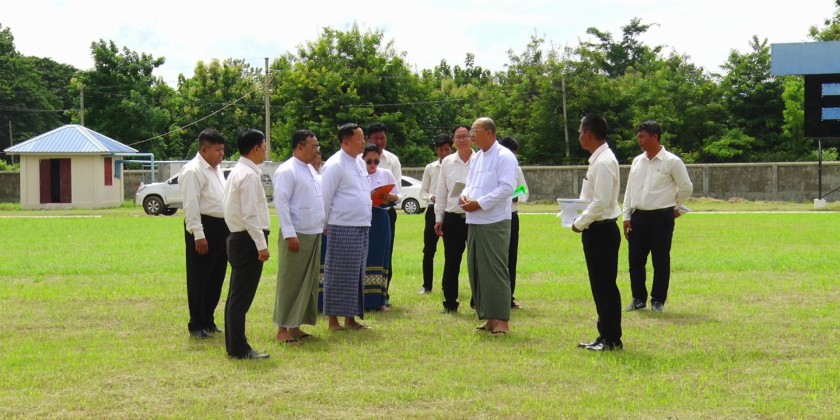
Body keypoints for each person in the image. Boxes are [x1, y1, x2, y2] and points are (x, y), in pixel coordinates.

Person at [622, 120, 693, 313]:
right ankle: (638, 298)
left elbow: (686, 187)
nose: (639, 140)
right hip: (638, 217)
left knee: (660, 260)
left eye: (643, 136)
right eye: (638, 137)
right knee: (635, 260)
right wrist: (626, 216)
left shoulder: (672, 161)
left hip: (661, 218)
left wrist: (672, 204)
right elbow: (629, 190)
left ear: (655, 137)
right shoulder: (637, 161)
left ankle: (658, 300)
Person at [461, 117, 517, 336]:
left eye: (475, 131)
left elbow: (508, 188)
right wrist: (464, 198)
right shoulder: (477, 158)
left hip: (494, 221)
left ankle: (501, 321)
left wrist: (480, 203)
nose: (471, 135)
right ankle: (489, 317)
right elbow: (469, 184)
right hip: (474, 220)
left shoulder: (504, 156)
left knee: (494, 270)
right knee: (478, 270)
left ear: (490, 133)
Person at [572, 114, 623, 352]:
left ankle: (612, 339)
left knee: (605, 286)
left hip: (601, 230)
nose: (579, 136)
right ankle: (605, 335)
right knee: (600, 286)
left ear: (589, 133)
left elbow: (601, 202)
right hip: (597, 230)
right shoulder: (599, 159)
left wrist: (579, 222)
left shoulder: (603, 162)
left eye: (581, 131)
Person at [272, 129, 325, 344]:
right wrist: (289, 233)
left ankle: (296, 326)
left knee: (308, 283)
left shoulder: (311, 170)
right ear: (300, 147)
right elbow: (281, 204)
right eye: (314, 146)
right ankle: (282, 328)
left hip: (313, 231)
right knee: (290, 281)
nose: (317, 150)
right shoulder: (287, 170)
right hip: (296, 233)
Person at [223, 129, 271, 359]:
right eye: (264, 145)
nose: (266, 150)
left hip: (238, 238)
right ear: (255, 149)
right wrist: (261, 245)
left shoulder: (237, 172)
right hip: (247, 239)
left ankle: (235, 345)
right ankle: (239, 348)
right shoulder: (249, 175)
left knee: (235, 297)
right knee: (240, 299)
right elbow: (251, 215)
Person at [321, 123, 372, 331]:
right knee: (338, 272)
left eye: (363, 138)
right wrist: (324, 224)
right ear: (345, 142)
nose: (363, 142)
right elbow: (325, 196)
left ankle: (351, 318)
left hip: (361, 224)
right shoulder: (335, 164)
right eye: (359, 138)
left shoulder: (359, 162)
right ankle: (333, 320)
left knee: (357, 273)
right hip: (341, 225)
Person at [179, 128, 228, 340]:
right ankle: (196, 323)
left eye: (223, 150)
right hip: (204, 226)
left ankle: (208, 318)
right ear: (204, 149)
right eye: (217, 150)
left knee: (216, 277)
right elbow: (191, 205)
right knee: (200, 277)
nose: (221, 154)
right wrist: (199, 234)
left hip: (222, 227)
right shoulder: (193, 170)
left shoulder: (216, 169)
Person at [433, 125, 474, 314]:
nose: (462, 140)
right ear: (453, 141)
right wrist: (438, 217)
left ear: (472, 138)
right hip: (453, 218)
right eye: (458, 137)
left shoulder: (480, 159)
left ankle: (478, 300)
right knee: (451, 261)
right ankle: (450, 302)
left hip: (475, 217)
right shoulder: (447, 162)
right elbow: (441, 192)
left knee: (476, 261)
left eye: (465, 136)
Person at [366, 122, 401, 307]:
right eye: (376, 138)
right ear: (367, 139)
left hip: (384, 214)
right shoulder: (357, 164)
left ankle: (382, 296)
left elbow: (398, 194)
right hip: (363, 216)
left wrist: (386, 196)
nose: (380, 142)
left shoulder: (392, 161)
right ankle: (363, 296)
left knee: (385, 255)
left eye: (383, 138)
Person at [418, 134, 453, 294]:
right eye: (441, 150)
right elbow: (423, 191)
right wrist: (430, 196)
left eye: (447, 149)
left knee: (451, 250)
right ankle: (427, 285)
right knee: (429, 249)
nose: (445, 153)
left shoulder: (454, 166)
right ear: (436, 150)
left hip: (449, 209)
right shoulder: (430, 168)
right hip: (433, 209)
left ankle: (448, 285)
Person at [498, 136, 529, 309]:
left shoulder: (516, 169)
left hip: (511, 215)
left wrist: (516, 195)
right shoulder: (490, 166)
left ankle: (509, 297)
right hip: (493, 217)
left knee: (511, 257)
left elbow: (524, 191)